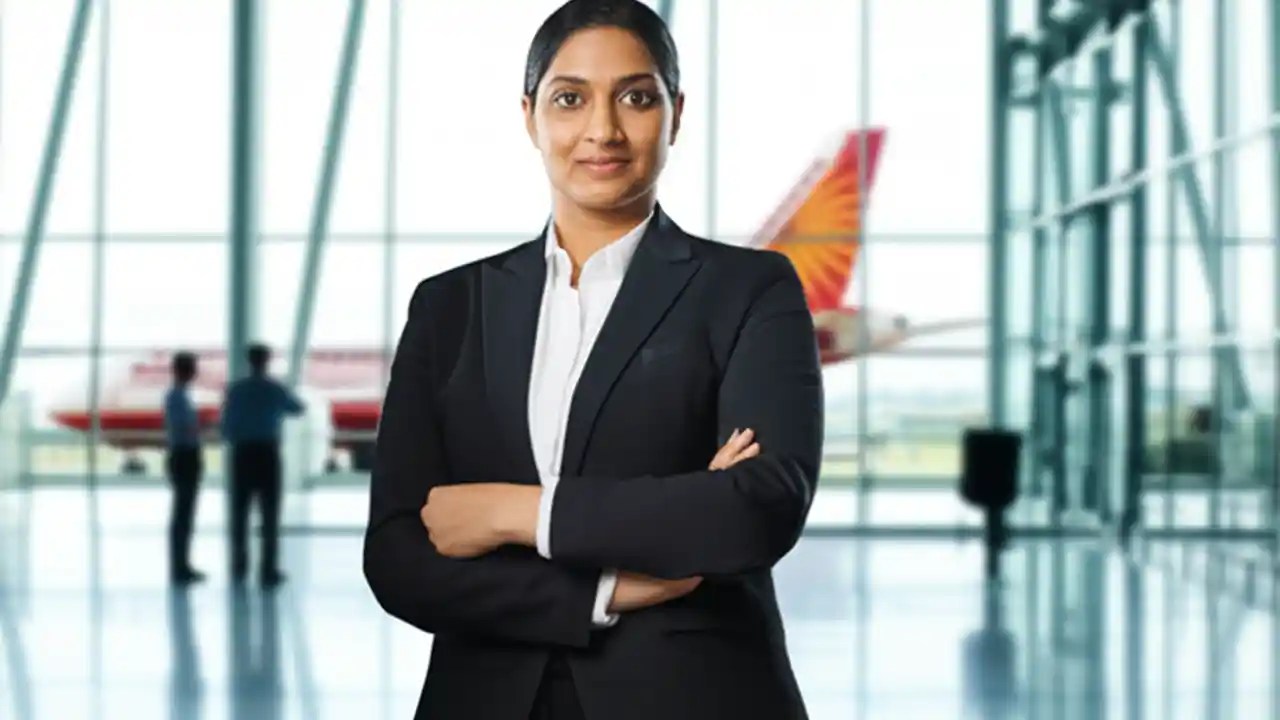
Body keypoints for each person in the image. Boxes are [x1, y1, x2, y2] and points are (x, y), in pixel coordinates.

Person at [363, 2, 823, 718]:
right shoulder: (449, 306)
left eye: (636, 98)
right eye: (569, 98)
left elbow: (756, 510)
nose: (602, 130)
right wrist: (607, 587)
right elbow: (397, 558)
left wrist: (512, 514)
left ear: (676, 113)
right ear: (529, 115)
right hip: (484, 696)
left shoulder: (748, 290)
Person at [220, 343, 305, 588]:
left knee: (240, 512)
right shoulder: (274, 388)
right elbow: (298, 408)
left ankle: (239, 566)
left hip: (242, 454)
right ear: (267, 361)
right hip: (267, 454)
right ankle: (268, 570)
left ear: (249, 361)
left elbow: (226, 427)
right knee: (270, 514)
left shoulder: (236, 390)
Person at [163, 351, 206, 585]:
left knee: (185, 514)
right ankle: (180, 567)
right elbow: (185, 429)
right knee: (183, 514)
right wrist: (204, 425)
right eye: (192, 367)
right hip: (184, 456)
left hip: (184, 455)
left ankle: (182, 564)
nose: (195, 371)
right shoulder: (178, 397)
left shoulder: (181, 395)